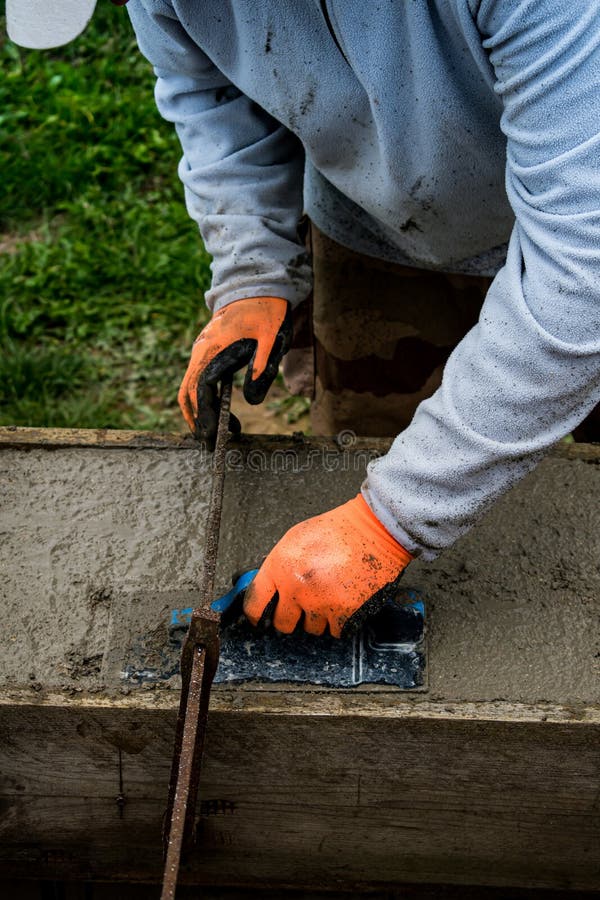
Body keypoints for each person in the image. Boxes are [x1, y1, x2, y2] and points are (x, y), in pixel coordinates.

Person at [8, 0, 600, 638]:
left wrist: (390, 522)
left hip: (577, 218)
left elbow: (583, 270)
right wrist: (251, 270)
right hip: (374, 230)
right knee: (357, 455)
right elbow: (208, 91)